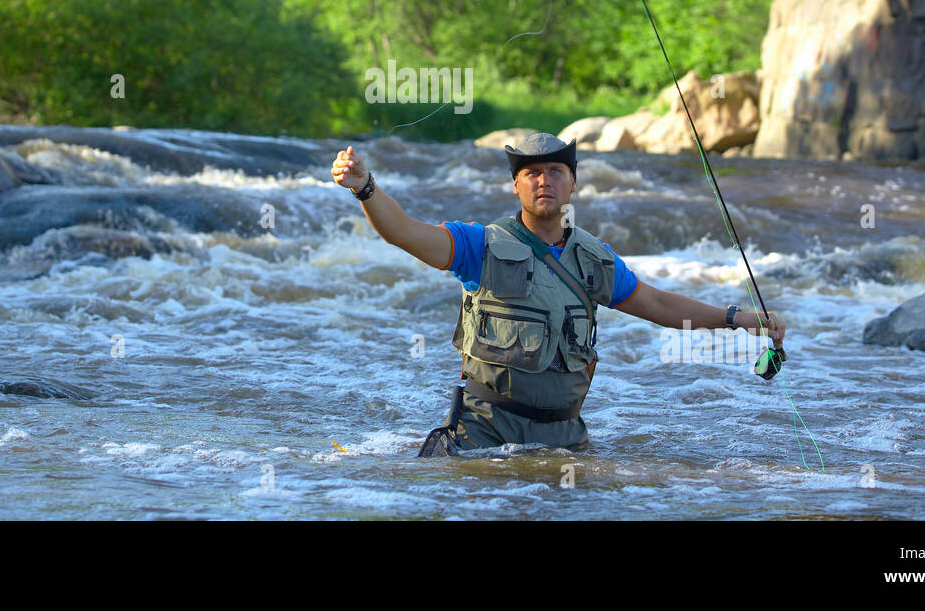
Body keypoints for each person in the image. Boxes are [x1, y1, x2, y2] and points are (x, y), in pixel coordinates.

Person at [331, 132, 786, 455]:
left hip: (565, 442)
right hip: (485, 436)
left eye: (554, 171)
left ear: (573, 183)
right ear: (516, 185)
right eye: (531, 173)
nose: (543, 180)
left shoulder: (595, 258)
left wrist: (737, 318)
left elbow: (659, 304)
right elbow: (405, 233)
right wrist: (365, 189)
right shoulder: (478, 245)